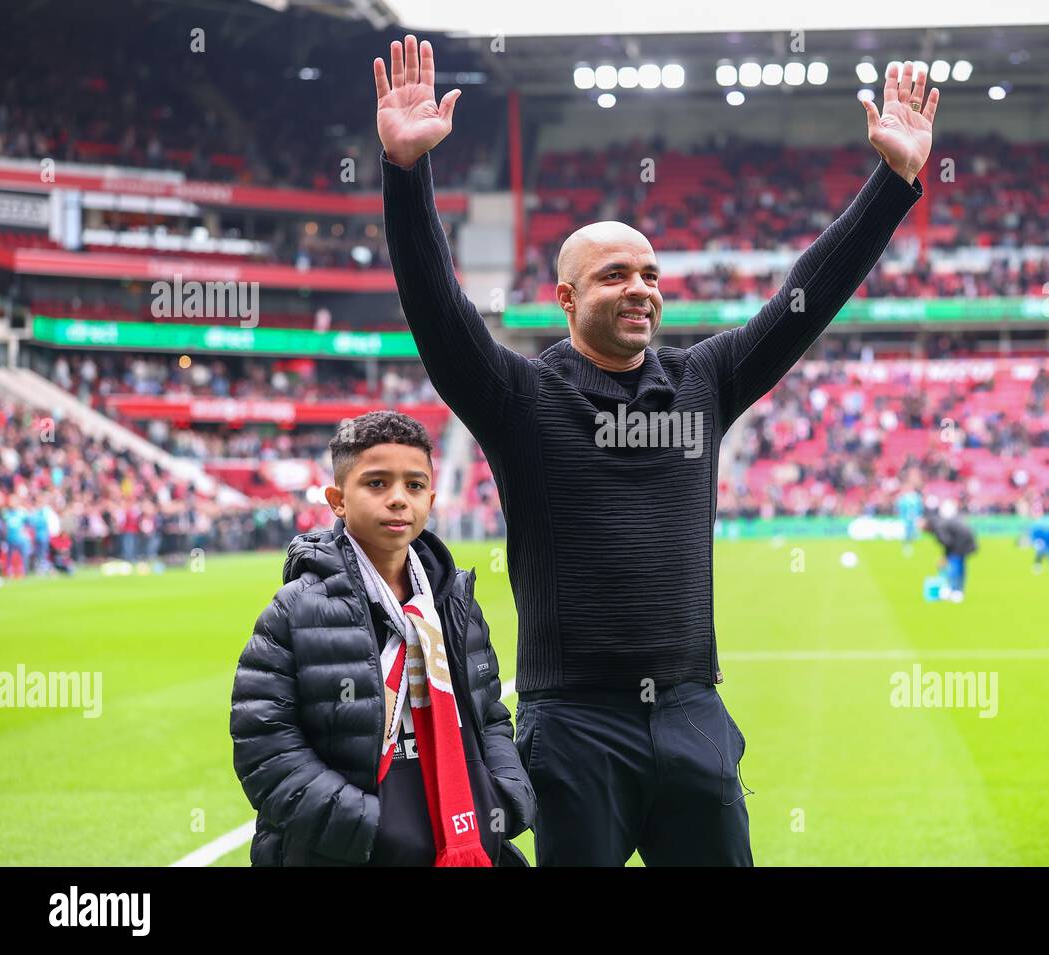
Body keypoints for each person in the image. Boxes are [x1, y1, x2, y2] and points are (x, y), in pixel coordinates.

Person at [374, 35, 937, 865]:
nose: (640, 288)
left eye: (650, 274)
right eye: (614, 276)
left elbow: (803, 302)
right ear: (565, 298)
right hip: (571, 723)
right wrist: (405, 172)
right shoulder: (520, 398)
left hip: (690, 711)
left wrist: (892, 185)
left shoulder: (705, 378)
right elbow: (435, 306)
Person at [230, 411, 535, 866]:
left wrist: (502, 795)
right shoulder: (296, 609)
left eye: (413, 486)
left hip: (462, 839)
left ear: (431, 497)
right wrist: (371, 826)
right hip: (352, 853)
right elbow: (265, 747)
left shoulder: (453, 601)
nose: (398, 499)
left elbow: (489, 715)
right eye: (376, 484)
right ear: (337, 499)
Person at [919, 509, 977, 603]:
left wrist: (944, 557)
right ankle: (957, 590)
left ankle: (954, 591)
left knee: (955, 565)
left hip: (961, 542)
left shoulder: (938, 527)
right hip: (965, 539)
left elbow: (947, 542)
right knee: (959, 565)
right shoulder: (938, 523)